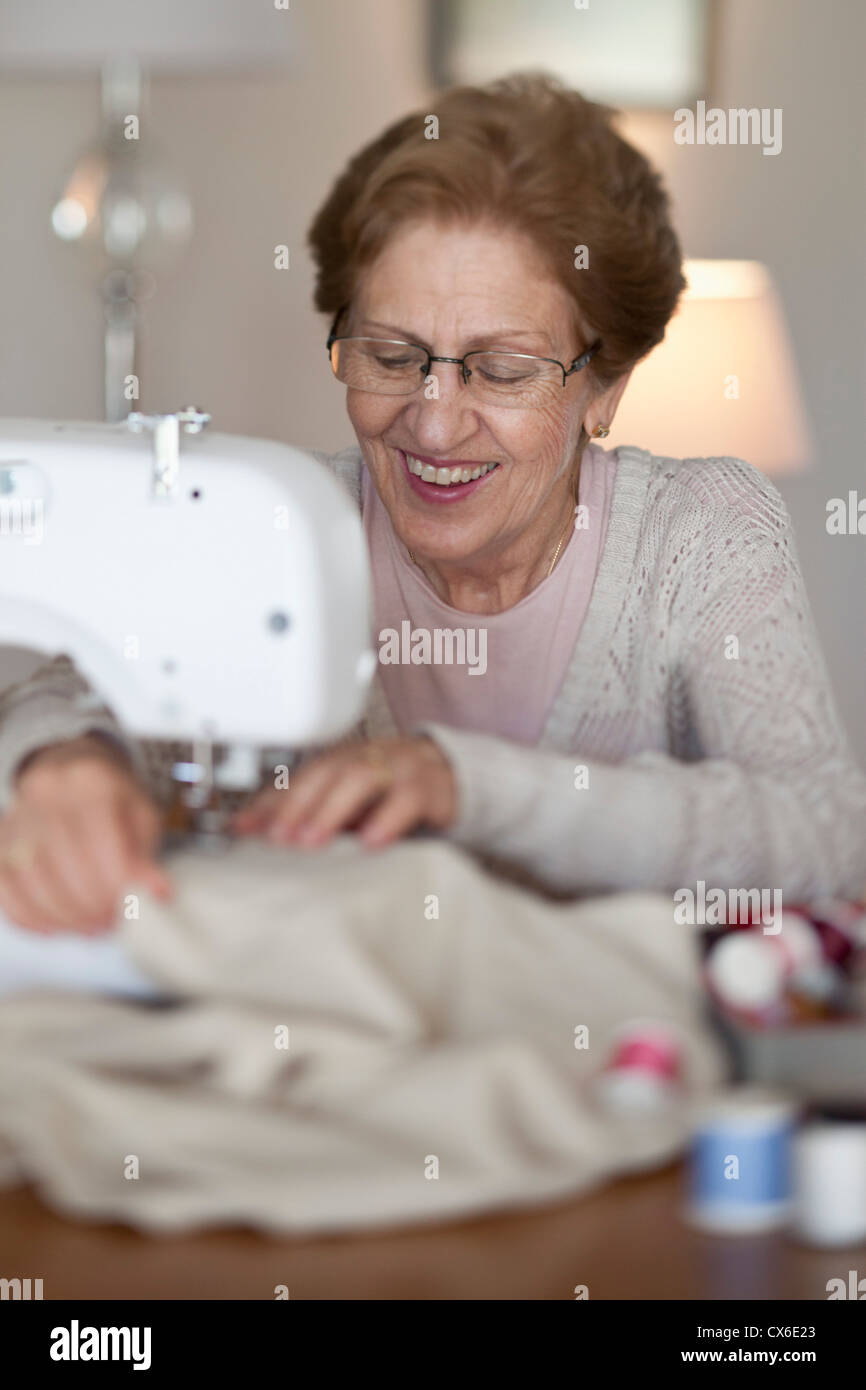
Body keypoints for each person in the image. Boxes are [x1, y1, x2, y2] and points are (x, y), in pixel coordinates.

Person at [1, 73, 863, 933]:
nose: (436, 422)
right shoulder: (283, 526)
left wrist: (461, 785)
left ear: (605, 389)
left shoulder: (698, 531)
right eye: (389, 355)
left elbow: (826, 832)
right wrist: (67, 760)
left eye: (501, 369)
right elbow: (53, 696)